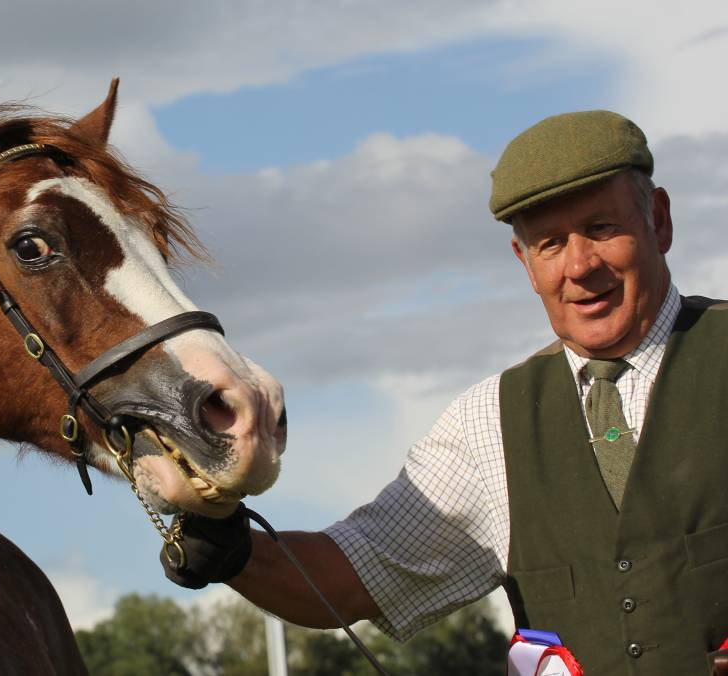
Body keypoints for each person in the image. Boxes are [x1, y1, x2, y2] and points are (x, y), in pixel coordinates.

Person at [160, 110, 728, 676]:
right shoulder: (490, 421)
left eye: (601, 228)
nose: (579, 265)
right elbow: (351, 575)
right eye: (551, 244)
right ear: (526, 263)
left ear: (659, 221)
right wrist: (223, 540)